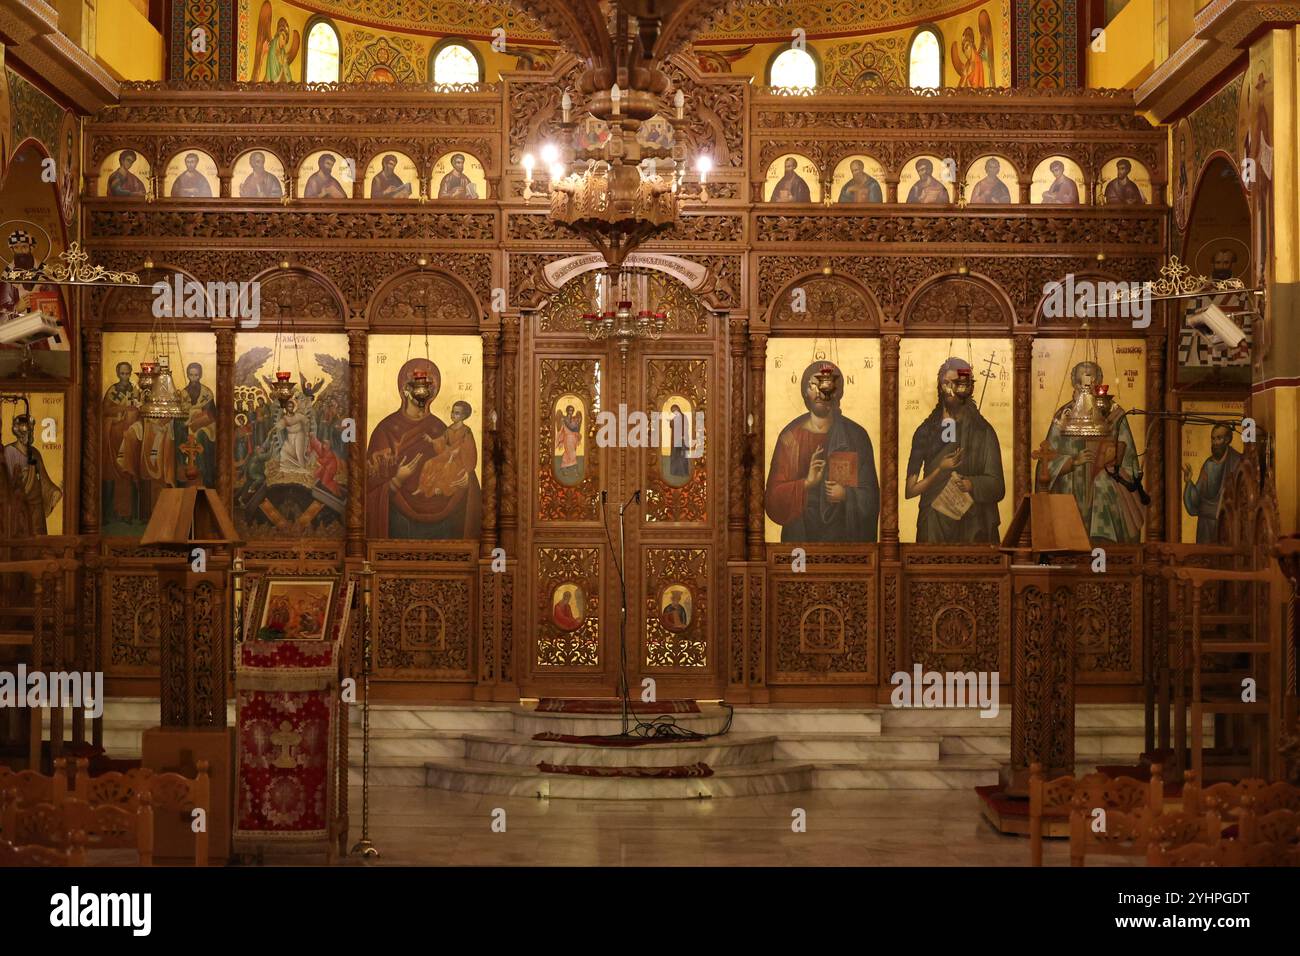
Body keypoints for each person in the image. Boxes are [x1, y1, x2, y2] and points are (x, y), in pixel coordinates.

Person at [764, 361, 879, 542]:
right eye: (813, 385)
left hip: (844, 542)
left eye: (827, 386)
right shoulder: (790, 438)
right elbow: (772, 500)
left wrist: (846, 495)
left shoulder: (856, 437)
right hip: (799, 540)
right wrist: (807, 484)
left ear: (838, 391)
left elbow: (872, 498)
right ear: (804, 391)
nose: (819, 393)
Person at [366, 358, 480, 538]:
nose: (424, 393)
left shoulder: (440, 427)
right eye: (417, 387)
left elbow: (458, 461)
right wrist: (396, 480)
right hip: (399, 520)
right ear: (405, 390)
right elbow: (368, 485)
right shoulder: (385, 429)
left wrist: (467, 481)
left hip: (443, 520)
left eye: (428, 388)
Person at [1033, 361, 1144, 542]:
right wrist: (1073, 462)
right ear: (1073, 383)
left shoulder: (1115, 415)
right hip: (1071, 493)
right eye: (1080, 383)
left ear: (1099, 382)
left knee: (1103, 485)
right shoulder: (1063, 416)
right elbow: (1046, 463)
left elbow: (1130, 462)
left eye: (1091, 383)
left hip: (1106, 496)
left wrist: (1109, 468)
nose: (1085, 388)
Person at [905, 358, 1005, 543]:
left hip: (972, 526)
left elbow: (998, 486)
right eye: (946, 383)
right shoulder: (925, 431)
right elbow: (910, 490)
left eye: (957, 383)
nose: (950, 389)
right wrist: (941, 469)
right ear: (940, 386)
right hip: (933, 526)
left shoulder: (983, 432)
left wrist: (971, 484)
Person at [1182, 424, 1242, 544]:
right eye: (1213, 438)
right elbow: (1197, 497)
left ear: (1227, 440)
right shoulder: (1208, 465)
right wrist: (1189, 482)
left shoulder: (1237, 462)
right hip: (1205, 524)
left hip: (1226, 523)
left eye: (1218, 438)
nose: (1214, 442)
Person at [3, 414, 61, 535]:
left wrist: (54, 492)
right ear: (19, 434)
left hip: (37, 508)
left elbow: (43, 479)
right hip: (20, 507)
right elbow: (6, 482)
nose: (30, 435)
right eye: (27, 432)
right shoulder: (9, 451)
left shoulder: (35, 453)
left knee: (38, 542)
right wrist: (20, 478)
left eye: (31, 431)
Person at [102, 361, 141, 523]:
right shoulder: (112, 391)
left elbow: (139, 409)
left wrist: (132, 411)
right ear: (118, 374)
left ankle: (128, 514)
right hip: (114, 437)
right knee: (112, 473)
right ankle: (109, 514)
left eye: (127, 373)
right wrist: (120, 411)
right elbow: (105, 410)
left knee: (128, 472)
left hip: (129, 436)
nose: (124, 376)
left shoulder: (135, 390)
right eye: (122, 373)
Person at [415, 400, 476, 499]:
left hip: (460, 460)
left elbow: (469, 448)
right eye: (452, 412)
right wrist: (431, 441)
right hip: (447, 455)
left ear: (464, 416)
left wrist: (459, 450)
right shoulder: (449, 429)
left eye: (457, 413)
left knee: (447, 468)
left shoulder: (466, 431)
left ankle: (440, 487)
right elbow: (442, 441)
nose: (453, 415)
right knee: (429, 463)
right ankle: (422, 487)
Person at [176, 362, 217, 486]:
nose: (193, 378)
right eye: (191, 375)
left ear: (200, 376)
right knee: (180, 433)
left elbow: (211, 414)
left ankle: (204, 471)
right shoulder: (183, 393)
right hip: (188, 423)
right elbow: (180, 413)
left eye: (196, 375)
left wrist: (197, 419)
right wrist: (186, 422)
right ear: (188, 375)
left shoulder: (207, 392)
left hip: (206, 425)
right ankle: (184, 473)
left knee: (201, 435)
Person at [553, 403, 584, 485]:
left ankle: (563, 468)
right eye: (569, 410)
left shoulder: (574, 419)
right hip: (568, 438)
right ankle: (575, 470)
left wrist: (577, 422)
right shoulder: (564, 419)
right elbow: (569, 427)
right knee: (571, 453)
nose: (571, 412)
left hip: (573, 438)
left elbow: (576, 429)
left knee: (568, 453)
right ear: (567, 411)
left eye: (572, 410)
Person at [665, 403, 690, 483]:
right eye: (672, 411)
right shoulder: (675, 418)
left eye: (675, 410)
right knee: (675, 456)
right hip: (675, 440)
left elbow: (686, 426)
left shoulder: (684, 417)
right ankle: (675, 472)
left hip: (682, 439)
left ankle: (683, 473)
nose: (674, 412)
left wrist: (683, 435)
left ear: (678, 409)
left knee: (682, 456)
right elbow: (671, 425)